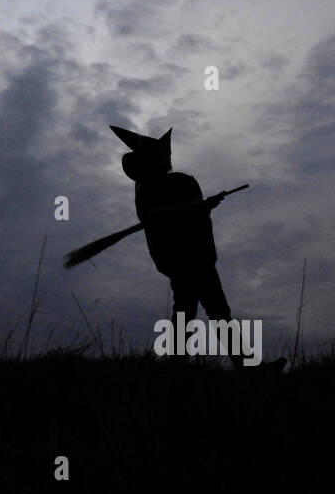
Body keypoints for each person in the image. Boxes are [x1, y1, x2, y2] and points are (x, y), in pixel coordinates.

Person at [110, 125, 282, 370]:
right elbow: (158, 216)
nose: (169, 157)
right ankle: (243, 366)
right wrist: (197, 208)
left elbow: (184, 216)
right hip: (183, 259)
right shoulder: (147, 188)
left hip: (194, 257)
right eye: (164, 153)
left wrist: (201, 208)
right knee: (208, 311)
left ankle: (183, 364)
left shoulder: (176, 183)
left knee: (196, 310)